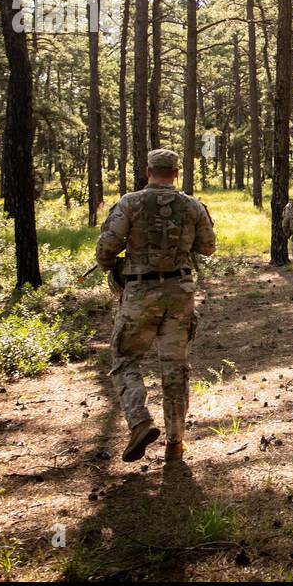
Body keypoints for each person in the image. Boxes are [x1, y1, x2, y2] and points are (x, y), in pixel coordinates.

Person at [95, 149, 216, 462]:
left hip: (139, 294)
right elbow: (208, 246)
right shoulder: (191, 205)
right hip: (180, 292)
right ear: (175, 173)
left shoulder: (130, 203)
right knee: (175, 369)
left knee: (124, 358)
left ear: (148, 170)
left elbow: (107, 247)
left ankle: (139, 420)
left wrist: (114, 263)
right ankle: (175, 443)